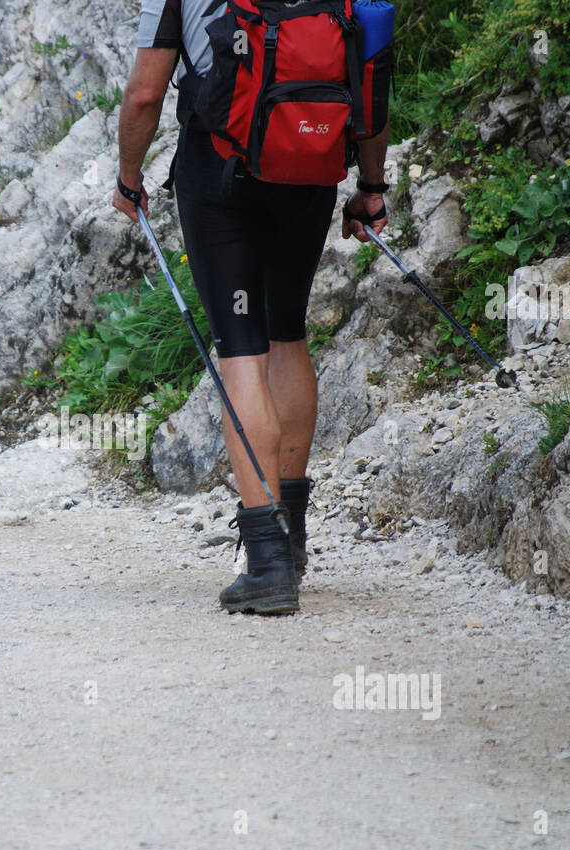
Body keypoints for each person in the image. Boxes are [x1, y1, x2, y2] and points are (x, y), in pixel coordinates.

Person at [114, 0, 391, 615]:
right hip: (310, 165)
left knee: (241, 350)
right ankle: (291, 540)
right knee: (288, 331)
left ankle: (264, 557)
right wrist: (370, 188)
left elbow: (143, 93)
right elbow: (371, 79)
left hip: (221, 173)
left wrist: (128, 177)